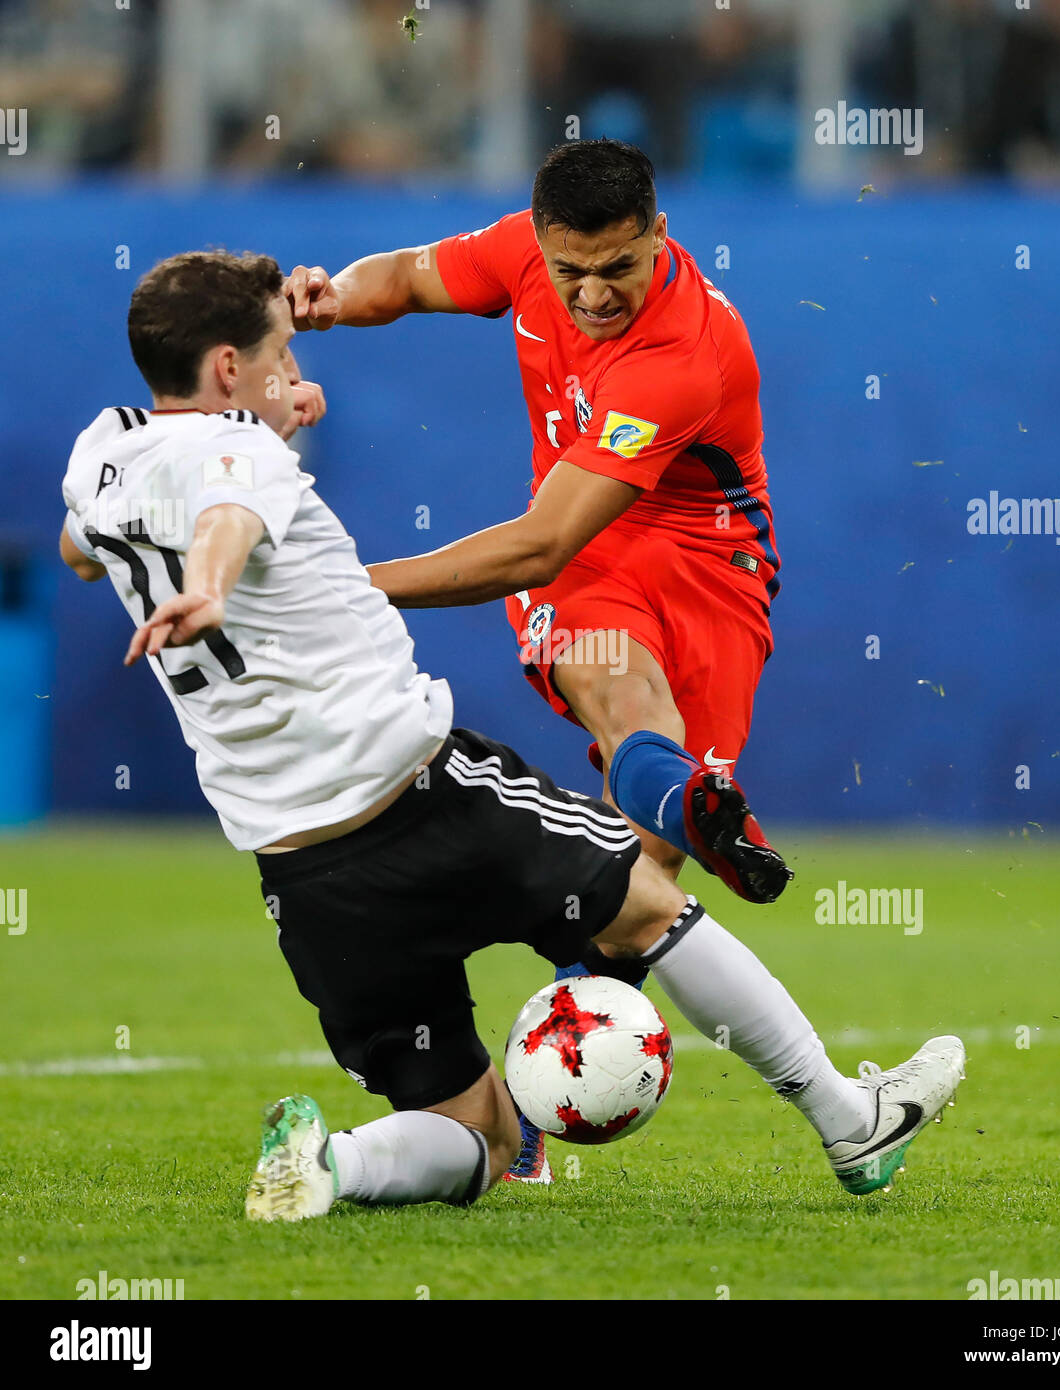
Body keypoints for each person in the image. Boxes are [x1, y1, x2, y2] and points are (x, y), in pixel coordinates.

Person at [60, 249, 964, 1221]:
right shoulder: (245, 455)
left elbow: (83, 548)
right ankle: (849, 1118)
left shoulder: (102, 457)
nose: (299, 377)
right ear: (230, 372)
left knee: (482, 1137)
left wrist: (182, 552)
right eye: (281, 356)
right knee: (650, 906)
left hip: (301, 869)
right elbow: (229, 505)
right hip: (419, 796)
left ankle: (336, 1163)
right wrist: (212, 578)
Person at [283, 137, 793, 1180]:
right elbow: (412, 276)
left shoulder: (688, 350)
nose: (595, 294)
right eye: (573, 273)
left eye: (620, 267)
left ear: (660, 234)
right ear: (544, 246)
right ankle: (683, 794)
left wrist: (345, 583)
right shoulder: (522, 249)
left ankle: (673, 815)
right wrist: (328, 299)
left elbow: (535, 543)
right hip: (599, 558)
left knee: (639, 905)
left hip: (711, 570)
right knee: (618, 693)